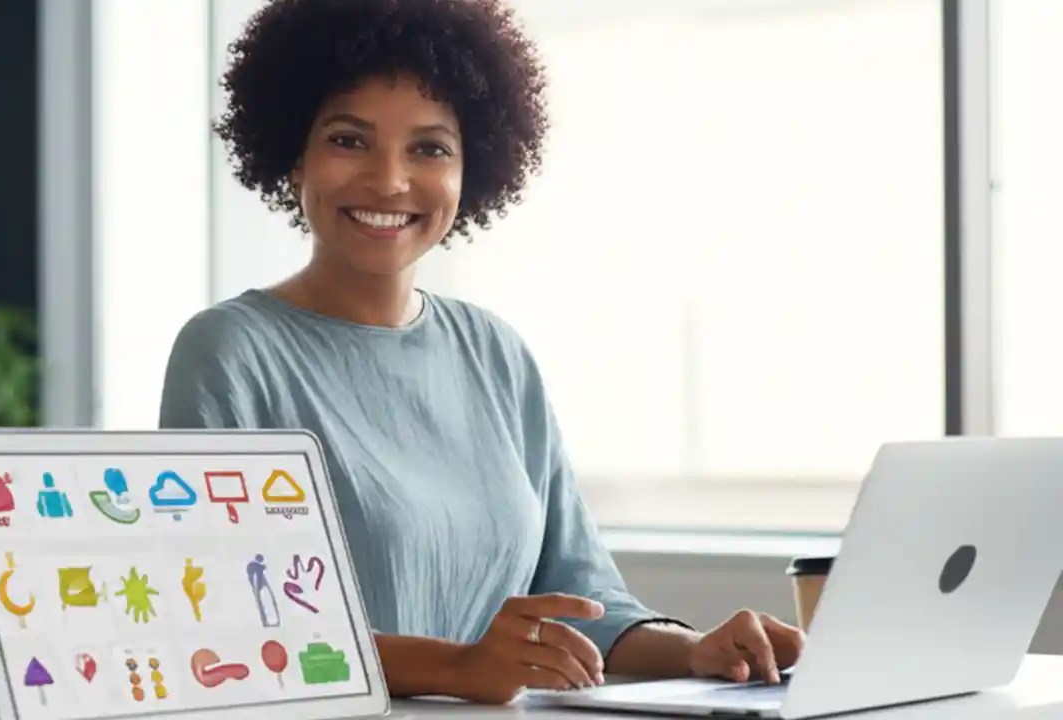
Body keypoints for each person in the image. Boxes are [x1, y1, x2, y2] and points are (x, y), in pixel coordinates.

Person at [160, 0, 804, 705]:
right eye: (349, 141)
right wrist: (457, 669)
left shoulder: (495, 352)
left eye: (429, 148)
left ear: (473, 171)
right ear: (292, 156)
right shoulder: (230, 354)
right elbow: (228, 629)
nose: (390, 180)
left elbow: (583, 600)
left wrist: (696, 648)